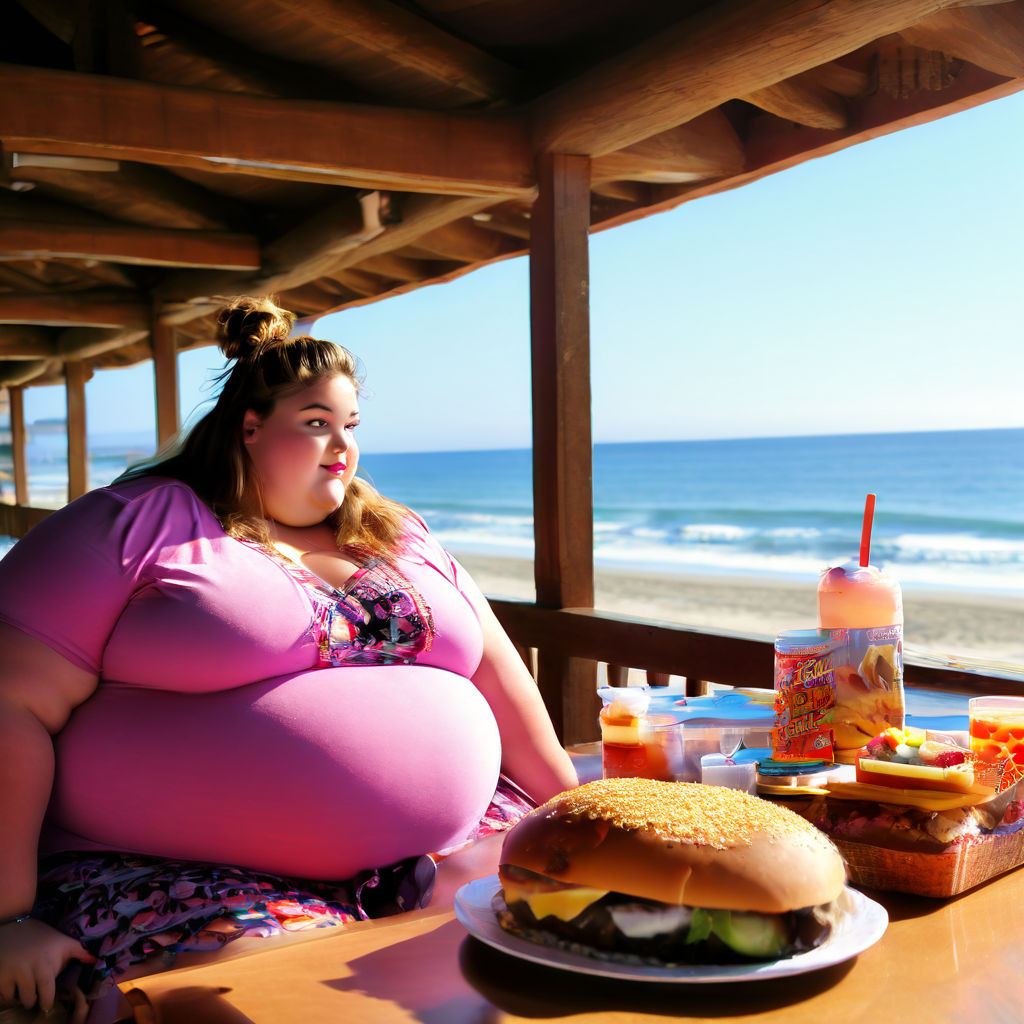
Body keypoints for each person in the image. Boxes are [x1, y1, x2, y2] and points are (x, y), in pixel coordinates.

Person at [0, 297, 578, 1022]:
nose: (341, 445)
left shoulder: (400, 534)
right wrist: (8, 918)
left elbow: (499, 676)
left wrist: (572, 811)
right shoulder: (135, 524)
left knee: (611, 963)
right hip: (190, 880)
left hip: (449, 853)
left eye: (349, 426)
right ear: (250, 427)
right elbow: (9, 702)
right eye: (315, 424)